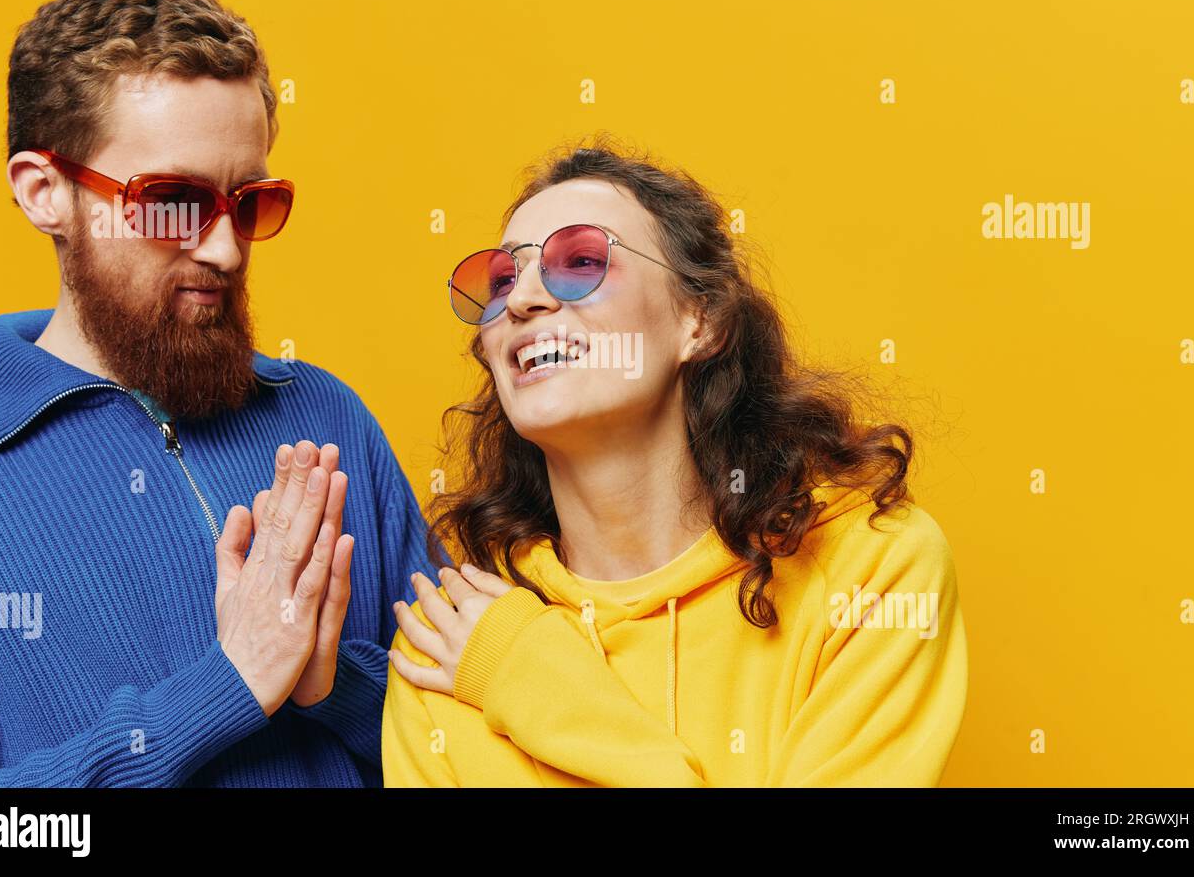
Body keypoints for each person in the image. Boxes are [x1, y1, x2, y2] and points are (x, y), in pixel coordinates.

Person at [0, 0, 433, 787]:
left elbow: (469, 751)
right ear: (44, 193)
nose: (225, 248)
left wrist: (329, 683)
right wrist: (223, 689)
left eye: (250, 204)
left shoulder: (329, 416)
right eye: (175, 202)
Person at [382, 141, 968, 786]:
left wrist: (539, 684)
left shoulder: (871, 570)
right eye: (499, 281)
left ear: (701, 319)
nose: (522, 300)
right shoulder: (452, 639)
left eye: (580, 261)